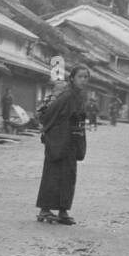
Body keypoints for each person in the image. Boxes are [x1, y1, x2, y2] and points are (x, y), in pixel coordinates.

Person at [36, 64, 89, 225]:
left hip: (72, 141)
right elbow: (49, 115)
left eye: (86, 77)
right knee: (53, 175)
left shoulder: (79, 96)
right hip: (59, 140)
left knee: (68, 176)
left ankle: (63, 210)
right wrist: (56, 134)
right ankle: (45, 209)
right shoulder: (66, 96)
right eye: (80, 76)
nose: (83, 80)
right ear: (72, 78)